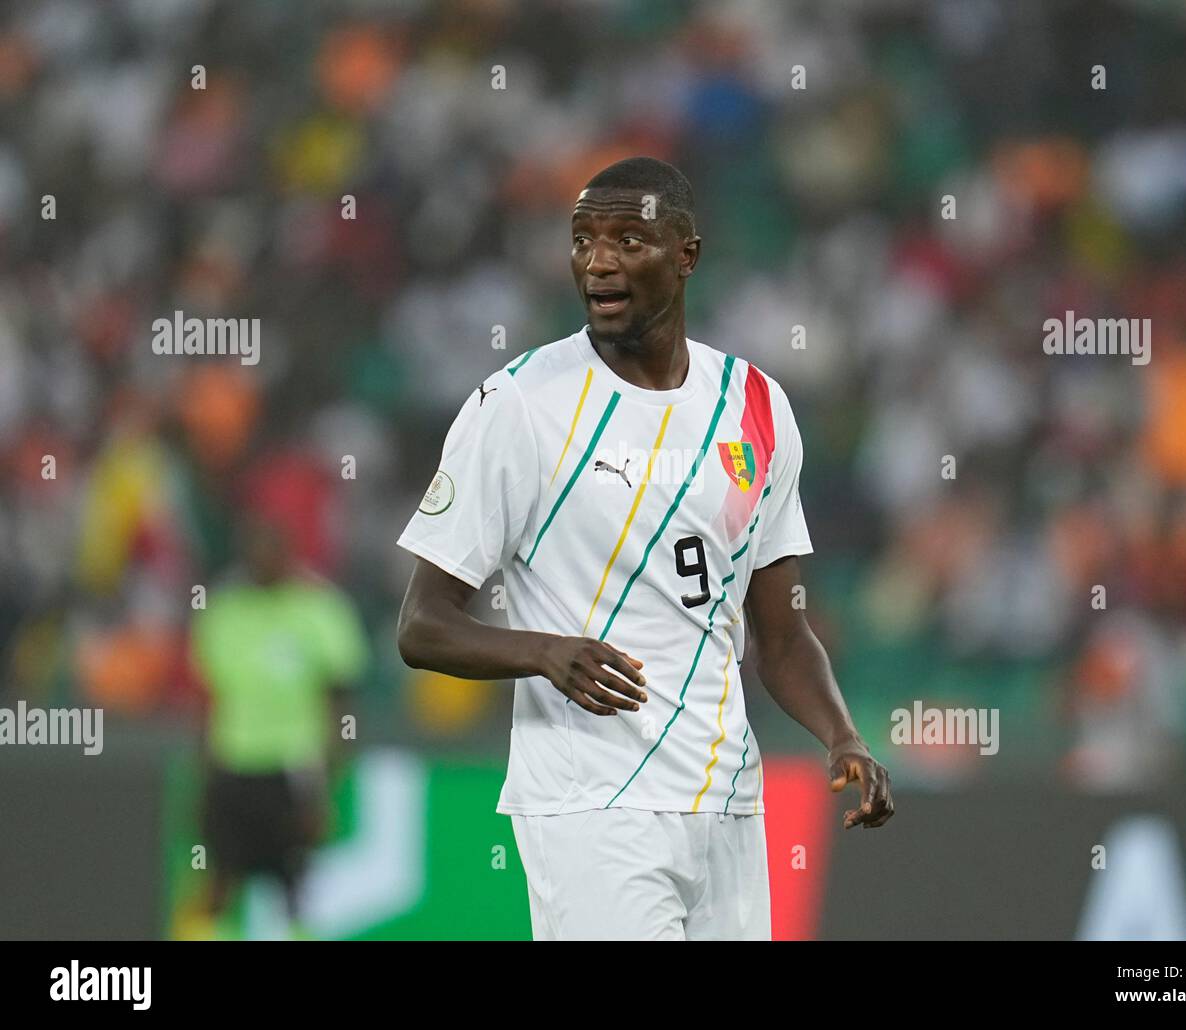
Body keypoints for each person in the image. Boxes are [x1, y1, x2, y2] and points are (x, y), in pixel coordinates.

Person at [396, 156, 893, 941]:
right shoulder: (520, 405)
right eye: (584, 239)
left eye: (630, 239)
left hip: (725, 798)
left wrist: (843, 735)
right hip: (591, 802)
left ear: (686, 255)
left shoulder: (756, 407)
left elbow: (783, 635)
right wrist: (545, 652)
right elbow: (421, 624)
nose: (599, 260)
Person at [190, 513, 368, 939]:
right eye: (253, 551)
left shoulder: (320, 609)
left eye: (271, 551)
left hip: (292, 767)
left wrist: (328, 779)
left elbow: (340, 704)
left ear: (288, 555)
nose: (261, 560)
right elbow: (207, 701)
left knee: (296, 890)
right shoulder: (224, 612)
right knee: (218, 884)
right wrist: (205, 772)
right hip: (232, 764)